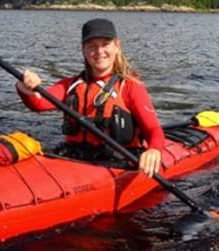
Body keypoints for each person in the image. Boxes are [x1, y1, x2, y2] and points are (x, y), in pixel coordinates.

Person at [14, 18, 166, 178]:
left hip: (117, 161)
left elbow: (154, 130)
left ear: (117, 46)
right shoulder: (70, 85)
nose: (99, 51)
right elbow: (38, 103)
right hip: (74, 157)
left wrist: (154, 150)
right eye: (92, 46)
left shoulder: (130, 86)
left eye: (105, 44)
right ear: (83, 50)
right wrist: (24, 87)